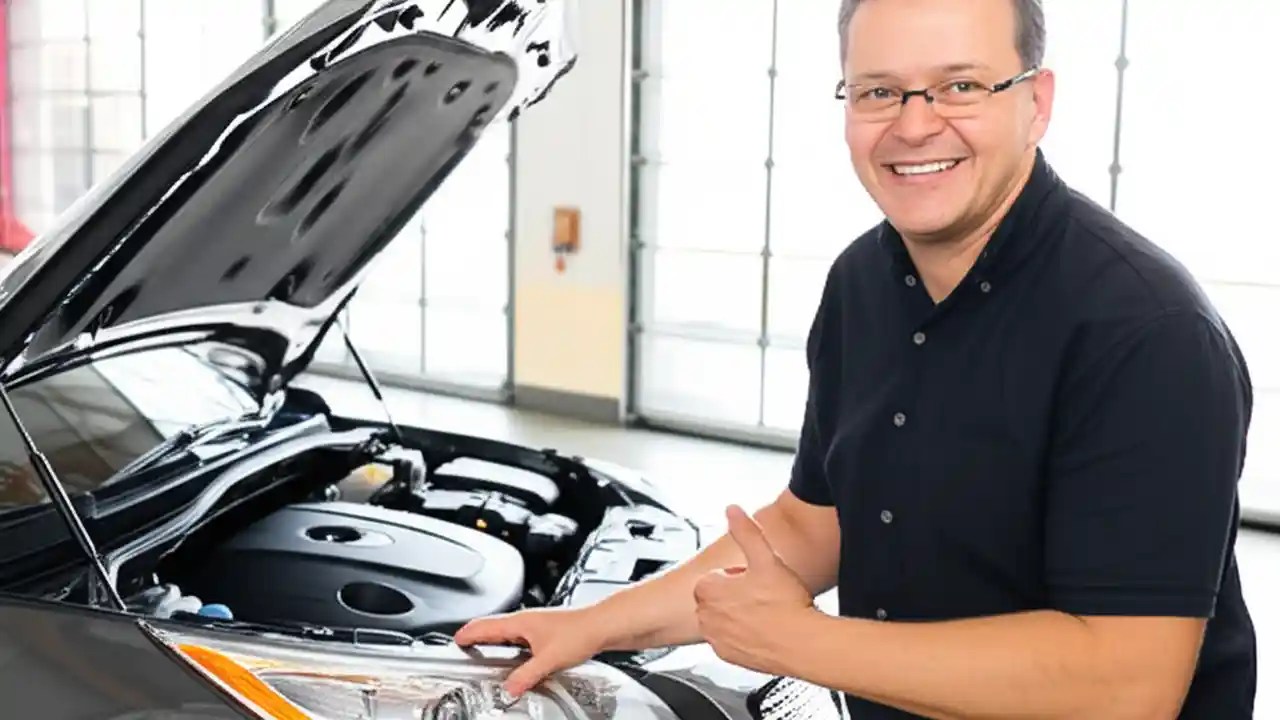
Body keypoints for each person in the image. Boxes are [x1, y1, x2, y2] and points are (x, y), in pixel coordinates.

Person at [456, 0, 1258, 716]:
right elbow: (814, 524)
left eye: (961, 86)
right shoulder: (862, 283)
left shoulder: (1147, 334)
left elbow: (1126, 686)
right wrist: (590, 625)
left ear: (1036, 103)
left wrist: (797, 643)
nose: (913, 125)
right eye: (879, 91)